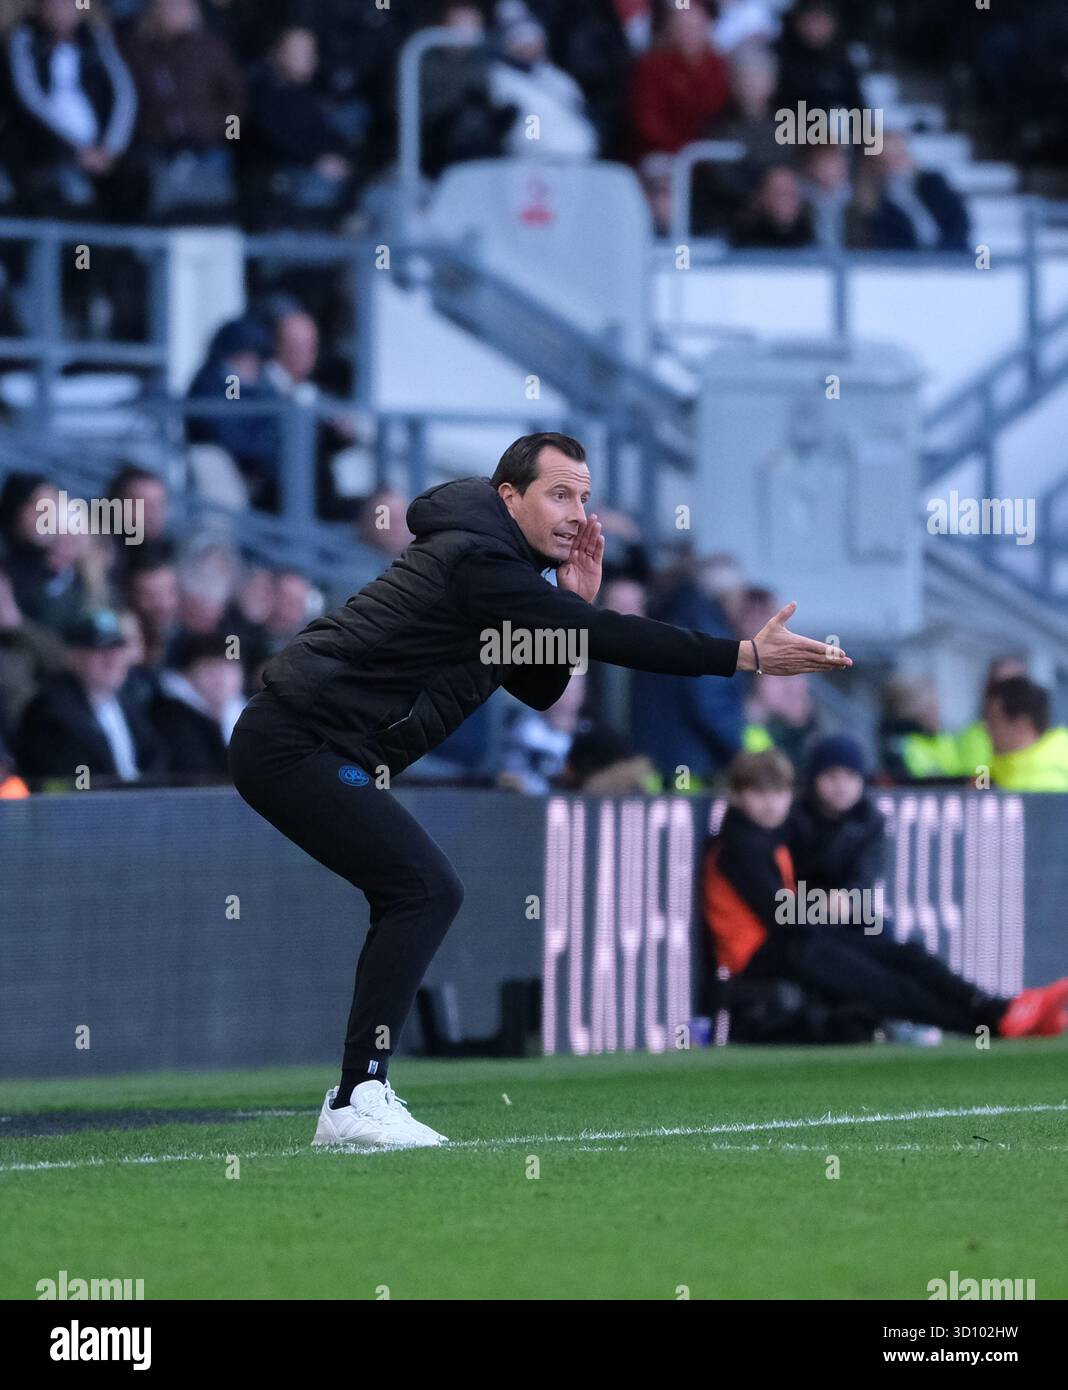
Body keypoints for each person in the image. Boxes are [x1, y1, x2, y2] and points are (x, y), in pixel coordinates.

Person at [228, 431, 853, 1150]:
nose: (575, 514)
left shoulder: (506, 573)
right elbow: (612, 637)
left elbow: (538, 682)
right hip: (294, 743)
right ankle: (356, 1096)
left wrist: (573, 602)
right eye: (558, 494)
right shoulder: (475, 561)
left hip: (317, 746)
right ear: (508, 497)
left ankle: (358, 1094)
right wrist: (741, 654)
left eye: (584, 498)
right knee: (423, 888)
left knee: (419, 888)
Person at [702, 749, 1068, 1044]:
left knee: (903, 959)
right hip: (768, 954)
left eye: (778, 793)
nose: (770, 803)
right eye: (758, 793)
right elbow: (779, 914)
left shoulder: (763, 837)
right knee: (891, 985)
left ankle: (997, 1011)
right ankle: (994, 1019)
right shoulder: (740, 845)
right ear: (736, 796)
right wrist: (828, 908)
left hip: (796, 942)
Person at [16, 607, 165, 787]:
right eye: (99, 650)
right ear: (73, 656)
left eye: (117, 649)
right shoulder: (49, 712)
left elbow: (152, 757)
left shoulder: (127, 700)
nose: (112, 660)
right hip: (87, 812)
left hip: (138, 809)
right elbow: (78, 780)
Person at [984, 676, 1068, 792]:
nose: (986, 728)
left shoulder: (1046, 785)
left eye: (994, 721)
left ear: (1021, 724)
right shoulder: (1005, 766)